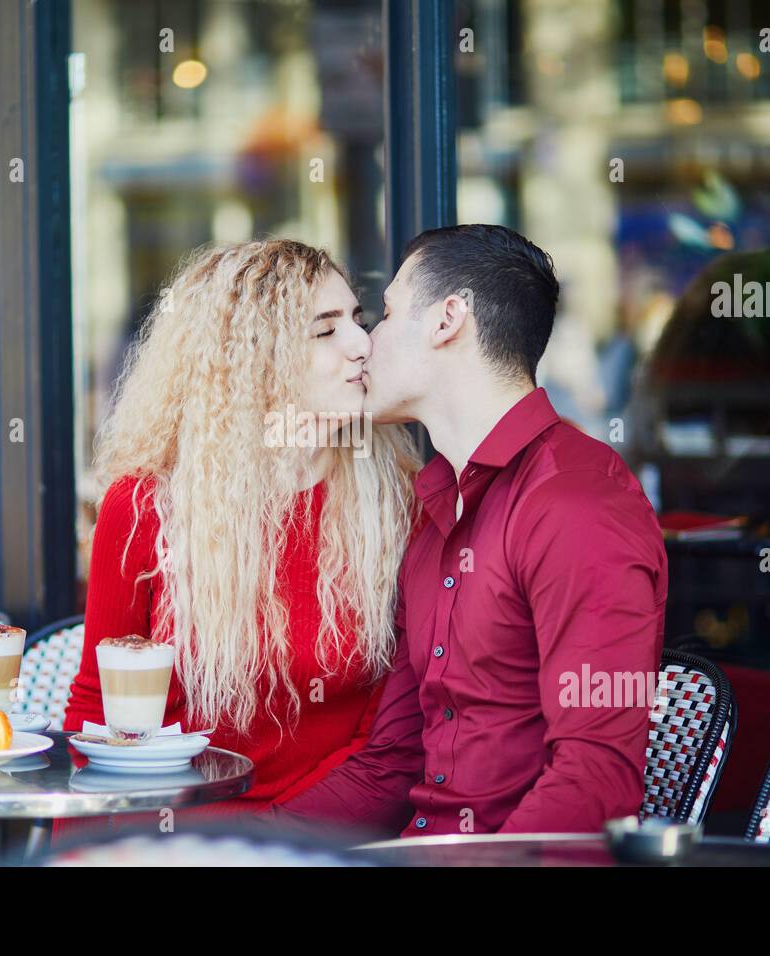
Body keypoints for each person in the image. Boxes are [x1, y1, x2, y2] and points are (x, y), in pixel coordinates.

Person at [270, 224, 668, 838]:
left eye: (385, 313)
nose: (363, 344)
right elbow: (393, 762)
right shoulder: (434, 516)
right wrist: (237, 846)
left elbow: (596, 781)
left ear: (446, 319)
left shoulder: (575, 502)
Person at [63, 239, 420, 818]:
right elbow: (100, 710)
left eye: (358, 319)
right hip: (174, 835)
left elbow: (391, 735)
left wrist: (272, 840)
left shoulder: (398, 499)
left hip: (334, 832)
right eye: (325, 331)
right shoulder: (144, 505)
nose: (363, 345)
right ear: (253, 363)